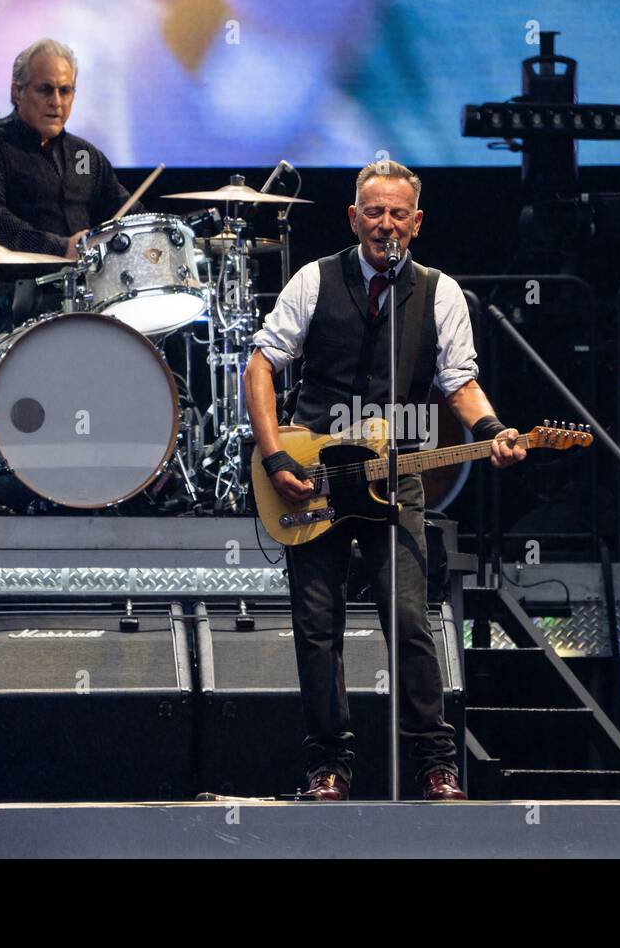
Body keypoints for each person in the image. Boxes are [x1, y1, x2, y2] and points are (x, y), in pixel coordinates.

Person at [244, 160, 526, 801]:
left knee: (409, 619)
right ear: (354, 217)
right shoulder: (314, 280)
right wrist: (274, 457)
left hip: (393, 477)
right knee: (318, 628)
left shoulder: (439, 292)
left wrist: (493, 434)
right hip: (311, 476)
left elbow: (461, 382)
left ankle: (435, 764)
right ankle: (328, 768)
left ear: (417, 222)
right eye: (374, 211)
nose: (386, 224)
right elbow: (261, 365)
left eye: (398, 213)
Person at [0, 38, 141, 258]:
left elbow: (131, 213)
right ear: (17, 92)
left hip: (86, 286)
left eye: (65, 91)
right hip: (17, 287)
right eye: (45, 90)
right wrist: (60, 248)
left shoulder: (84, 155)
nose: (57, 101)